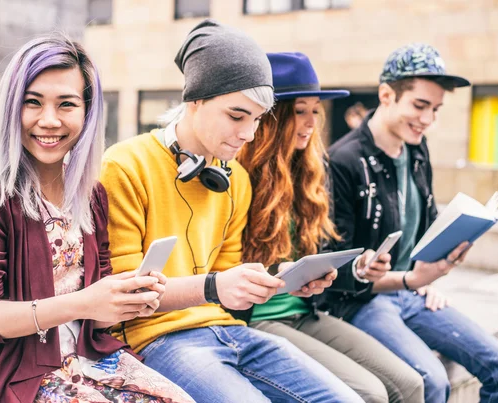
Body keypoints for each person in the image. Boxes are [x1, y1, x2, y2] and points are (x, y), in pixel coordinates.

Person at [100, 19, 362, 403]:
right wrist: (214, 287)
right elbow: (125, 297)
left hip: (226, 329)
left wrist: (280, 281)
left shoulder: (235, 177)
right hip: (155, 338)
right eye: (237, 116)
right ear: (195, 100)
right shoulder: (125, 165)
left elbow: (224, 281)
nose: (248, 134)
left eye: (257, 120)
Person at [0, 35, 193, 403]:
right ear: (10, 108)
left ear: (88, 111)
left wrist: (125, 301)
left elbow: (93, 316)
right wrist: (84, 302)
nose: (49, 121)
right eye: (32, 103)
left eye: (66, 104)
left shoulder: (91, 194)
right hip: (7, 371)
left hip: (86, 358)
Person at [327, 43, 498, 402]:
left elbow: (427, 220)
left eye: (436, 109)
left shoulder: (417, 149)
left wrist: (435, 264)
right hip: (362, 303)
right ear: (386, 95)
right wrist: (412, 278)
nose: (428, 119)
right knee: (429, 380)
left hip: (412, 293)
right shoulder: (343, 160)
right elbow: (336, 269)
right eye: (419, 105)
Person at [235, 51, 425, 403]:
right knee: (371, 394)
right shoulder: (240, 175)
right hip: (257, 319)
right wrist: (284, 274)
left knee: (410, 383)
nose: (310, 122)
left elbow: (322, 254)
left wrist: (355, 267)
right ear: (270, 117)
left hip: (308, 312)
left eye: (315, 112)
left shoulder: (313, 172)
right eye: (298, 111)